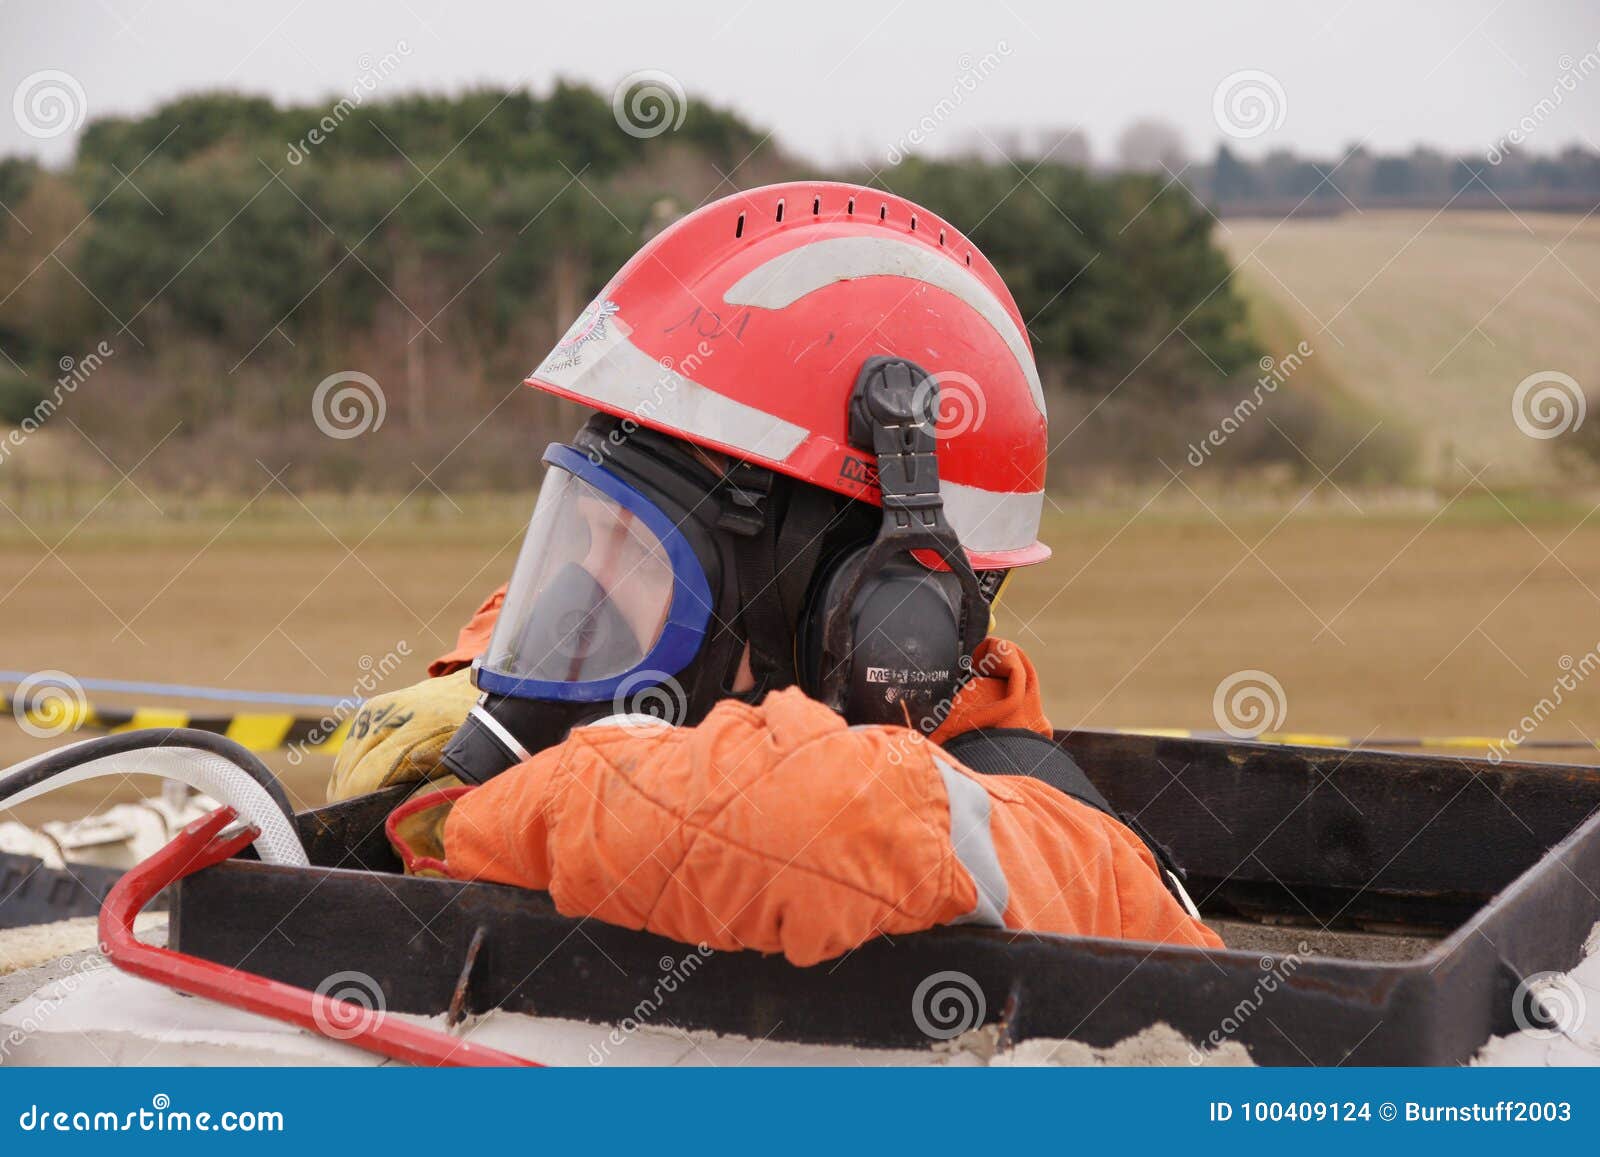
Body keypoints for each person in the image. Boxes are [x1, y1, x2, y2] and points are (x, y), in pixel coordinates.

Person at [330, 181, 1222, 965]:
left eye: (635, 545)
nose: (583, 591)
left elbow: (819, 816)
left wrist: (493, 808)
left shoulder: (1059, 853)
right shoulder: (697, 708)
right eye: (582, 532)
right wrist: (484, 686)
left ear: (876, 619)